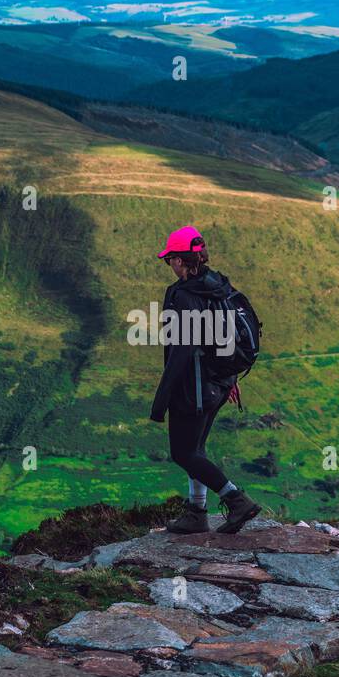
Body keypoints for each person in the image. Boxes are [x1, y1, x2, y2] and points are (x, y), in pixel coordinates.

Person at [149, 225, 260, 535]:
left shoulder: (182, 295)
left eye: (170, 258)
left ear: (181, 261)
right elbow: (224, 335)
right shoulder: (217, 284)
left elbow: (180, 352)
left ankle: (236, 500)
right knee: (196, 450)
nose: (169, 264)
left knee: (183, 453)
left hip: (194, 389)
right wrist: (230, 377)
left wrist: (162, 400)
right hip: (219, 386)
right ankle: (197, 512)